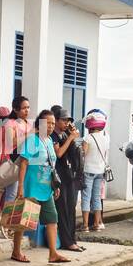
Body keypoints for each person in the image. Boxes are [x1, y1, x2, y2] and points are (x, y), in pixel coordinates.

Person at [10, 109, 70, 265]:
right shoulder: (32, 140)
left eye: (52, 123)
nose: (50, 126)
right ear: (39, 124)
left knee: (52, 219)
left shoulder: (49, 141)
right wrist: (21, 187)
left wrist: (54, 185)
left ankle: (53, 254)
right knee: (24, 220)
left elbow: (51, 164)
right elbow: (23, 163)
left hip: (46, 188)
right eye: (47, 123)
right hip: (32, 186)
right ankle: (16, 251)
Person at [51, 106, 84, 252]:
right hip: (58, 176)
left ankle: (72, 239)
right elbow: (58, 154)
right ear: (56, 120)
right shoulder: (53, 135)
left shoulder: (65, 134)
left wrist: (72, 136)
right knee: (63, 210)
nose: (66, 123)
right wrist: (70, 137)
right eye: (64, 120)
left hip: (68, 175)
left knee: (71, 208)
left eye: (68, 120)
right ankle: (67, 242)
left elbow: (74, 152)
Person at [0, 97, 32, 213]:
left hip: (26, 162)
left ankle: (16, 221)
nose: (27, 110)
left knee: (22, 194)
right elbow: (11, 142)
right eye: (24, 108)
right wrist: (29, 134)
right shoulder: (9, 123)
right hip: (14, 162)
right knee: (11, 194)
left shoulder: (28, 124)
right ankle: (7, 223)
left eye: (28, 107)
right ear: (16, 110)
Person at [80, 111, 110, 232]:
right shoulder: (105, 138)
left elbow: (83, 154)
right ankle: (97, 224)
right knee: (97, 197)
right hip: (100, 171)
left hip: (88, 170)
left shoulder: (88, 138)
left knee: (86, 197)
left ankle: (85, 225)